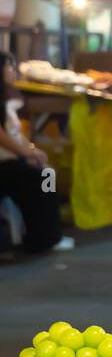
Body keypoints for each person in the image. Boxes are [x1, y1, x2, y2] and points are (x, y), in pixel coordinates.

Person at [0, 52, 64, 255]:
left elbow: (15, 134)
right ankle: (44, 239)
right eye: (9, 67)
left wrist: (33, 151)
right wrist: (28, 154)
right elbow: (3, 137)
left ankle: (47, 235)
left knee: (48, 175)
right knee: (43, 180)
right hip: (4, 165)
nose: (13, 71)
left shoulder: (6, 100)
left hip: (12, 160)